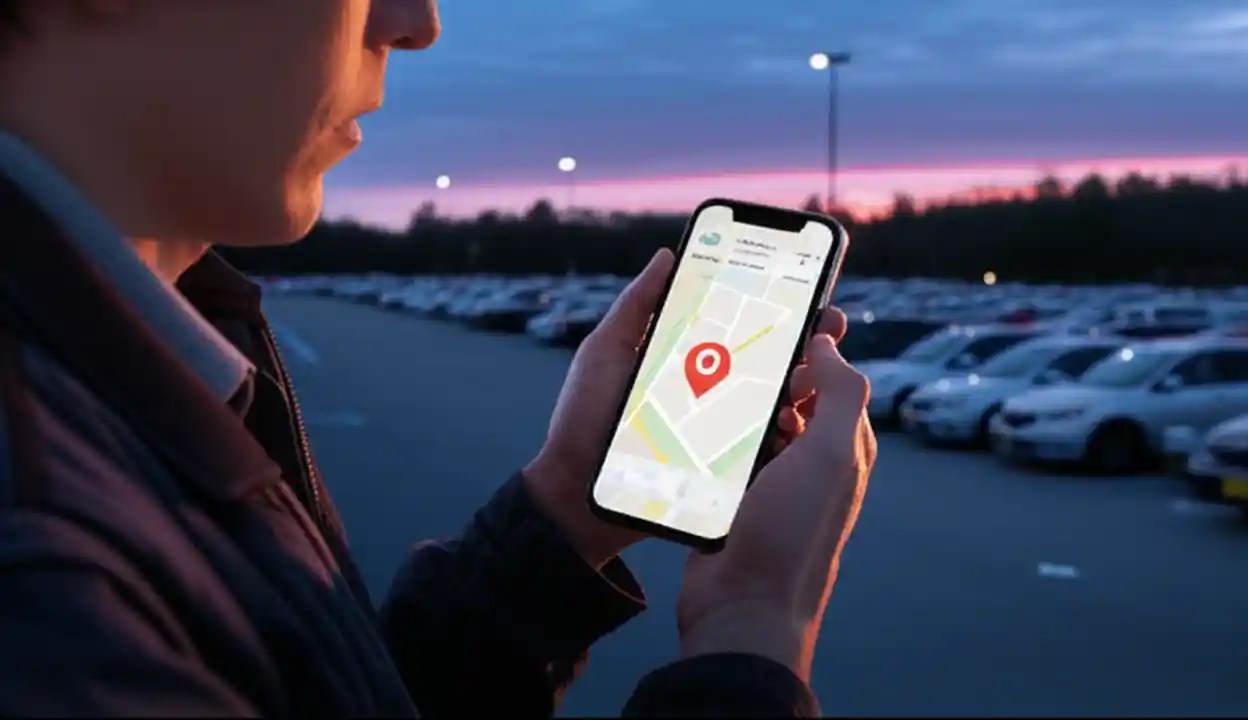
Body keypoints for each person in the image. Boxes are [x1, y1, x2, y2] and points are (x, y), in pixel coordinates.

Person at [0, 0, 877, 716]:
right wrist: (750, 634)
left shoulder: (148, 361)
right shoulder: (47, 578)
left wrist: (568, 510)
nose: (417, 22)